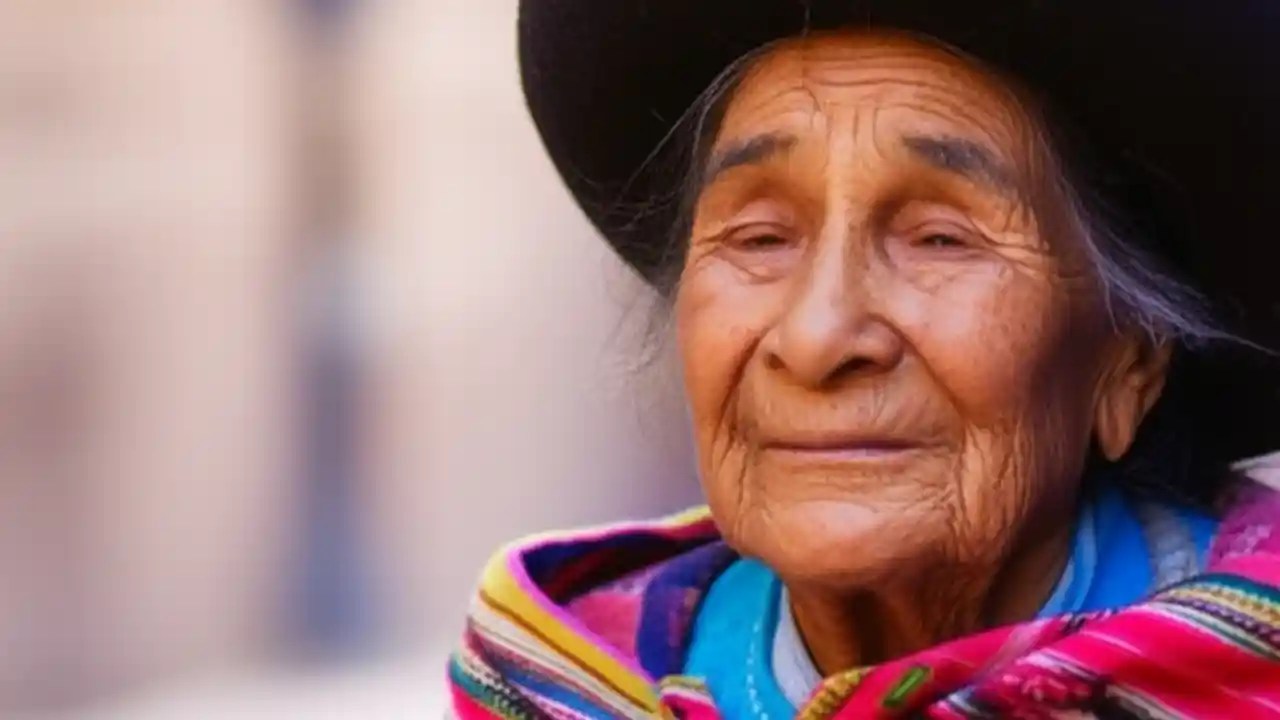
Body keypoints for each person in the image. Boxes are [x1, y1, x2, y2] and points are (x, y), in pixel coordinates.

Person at [448, 2, 1280, 717]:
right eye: (760, 238)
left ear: (1127, 364)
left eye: (940, 240)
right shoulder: (562, 685)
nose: (817, 339)